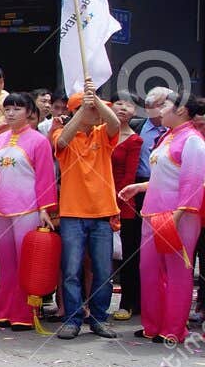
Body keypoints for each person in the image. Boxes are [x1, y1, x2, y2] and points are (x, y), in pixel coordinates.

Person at [119, 93, 205, 343]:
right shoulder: (168, 138)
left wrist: (177, 216)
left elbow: (194, 183)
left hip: (179, 216)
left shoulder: (193, 142)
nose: (159, 109)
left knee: (177, 271)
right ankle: (153, 325)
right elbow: (166, 176)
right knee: (149, 269)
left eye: (164, 105)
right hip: (153, 213)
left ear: (181, 111)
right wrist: (140, 187)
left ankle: (173, 329)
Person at [53, 83, 121, 338]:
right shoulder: (63, 133)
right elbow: (62, 140)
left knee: (103, 271)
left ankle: (99, 318)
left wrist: (97, 101)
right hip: (72, 213)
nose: (100, 114)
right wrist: (83, 110)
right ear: (79, 111)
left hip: (102, 213)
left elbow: (114, 122)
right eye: (94, 110)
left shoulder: (103, 133)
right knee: (71, 270)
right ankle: (72, 319)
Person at [0, 92, 57, 330]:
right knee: (5, 263)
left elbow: (46, 177)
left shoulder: (38, 141)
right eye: (7, 109)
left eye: (17, 109)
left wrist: (45, 208)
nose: (10, 113)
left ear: (29, 112)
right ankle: (2, 312)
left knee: (24, 263)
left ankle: (24, 314)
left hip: (27, 208)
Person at [110, 97, 144, 321]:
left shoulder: (135, 140)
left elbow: (129, 178)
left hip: (123, 204)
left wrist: (114, 202)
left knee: (128, 256)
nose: (122, 108)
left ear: (135, 112)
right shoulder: (100, 133)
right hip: (95, 201)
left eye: (128, 105)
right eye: (118, 103)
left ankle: (128, 303)